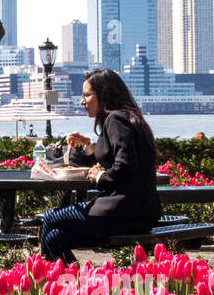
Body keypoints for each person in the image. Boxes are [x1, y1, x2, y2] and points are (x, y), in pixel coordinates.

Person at [39, 68, 161, 265]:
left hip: (124, 214)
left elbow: (125, 165)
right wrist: (89, 146)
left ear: (104, 95)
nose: (82, 101)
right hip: (136, 213)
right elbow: (116, 158)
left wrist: (99, 177)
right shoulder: (125, 118)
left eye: (87, 95)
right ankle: (74, 277)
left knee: (51, 216)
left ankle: (44, 274)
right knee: (55, 237)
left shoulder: (116, 119)